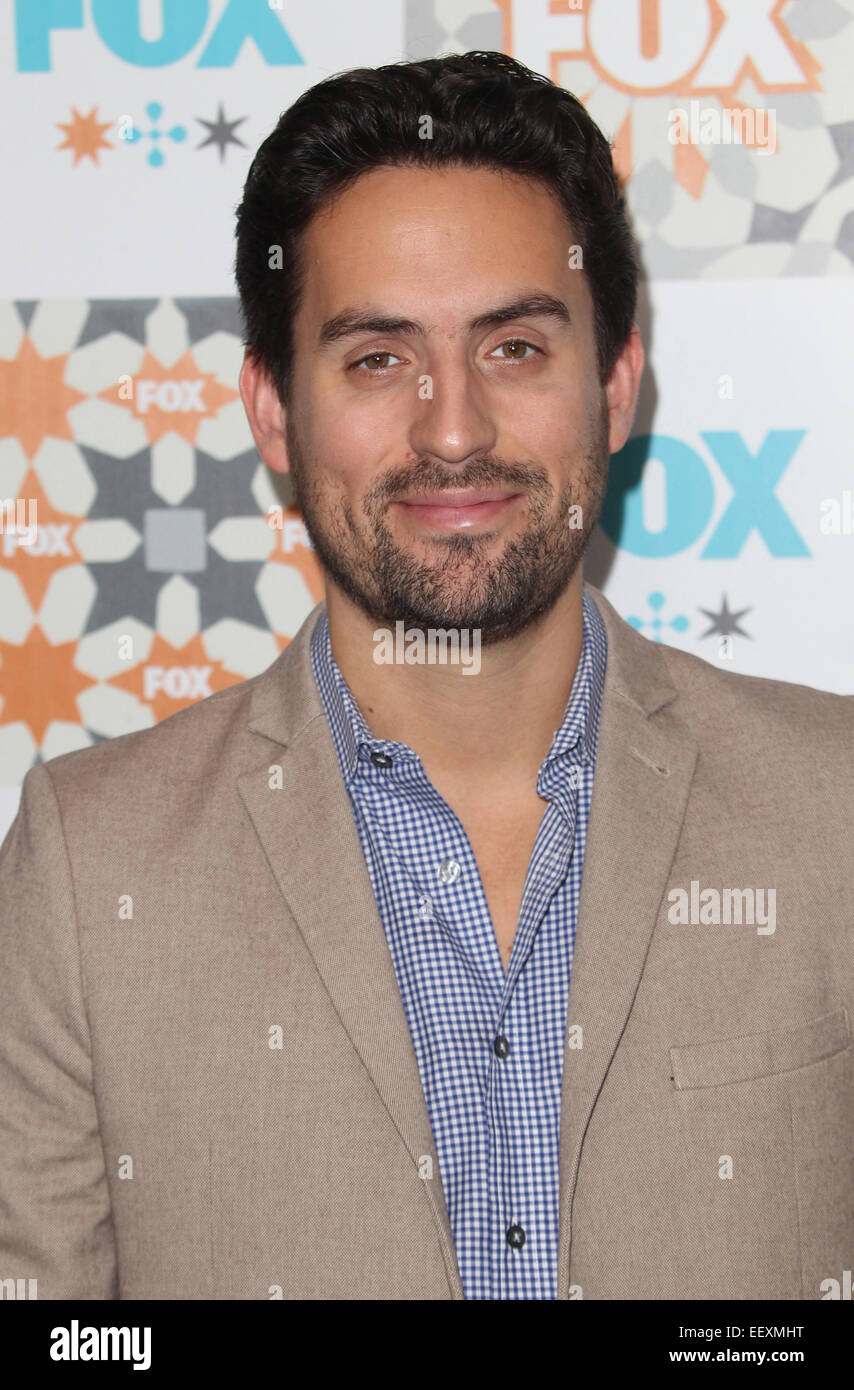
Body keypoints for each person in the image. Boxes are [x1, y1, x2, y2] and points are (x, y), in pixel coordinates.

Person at [0, 52, 851, 1302]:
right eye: (375, 358)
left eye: (511, 346)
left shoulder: (829, 811)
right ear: (275, 414)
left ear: (613, 385)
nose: (451, 428)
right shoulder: (88, 870)